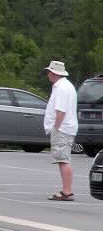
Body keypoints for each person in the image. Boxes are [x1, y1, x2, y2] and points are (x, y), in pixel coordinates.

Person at [43, 60, 78, 201]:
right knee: (62, 159)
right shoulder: (64, 86)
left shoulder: (62, 88)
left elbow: (60, 111)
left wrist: (56, 128)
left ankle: (67, 192)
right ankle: (66, 190)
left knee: (63, 159)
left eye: (49, 72)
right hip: (65, 127)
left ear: (53, 73)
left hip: (62, 128)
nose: (48, 74)